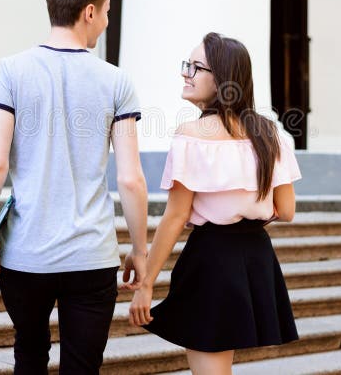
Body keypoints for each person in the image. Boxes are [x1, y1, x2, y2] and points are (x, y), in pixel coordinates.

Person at [0, 0, 149, 374]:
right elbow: (131, 179)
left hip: (26, 256)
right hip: (92, 256)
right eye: (106, 12)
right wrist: (140, 251)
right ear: (88, 11)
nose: (106, 21)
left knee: (29, 353)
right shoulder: (116, 81)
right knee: (83, 367)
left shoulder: (9, 71)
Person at [129, 32, 301, 374]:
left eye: (196, 67)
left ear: (222, 78)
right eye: (187, 65)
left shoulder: (192, 135)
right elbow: (287, 210)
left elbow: (175, 217)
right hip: (256, 257)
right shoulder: (270, 134)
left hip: (212, 260)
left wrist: (146, 284)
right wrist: (241, 213)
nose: (185, 73)